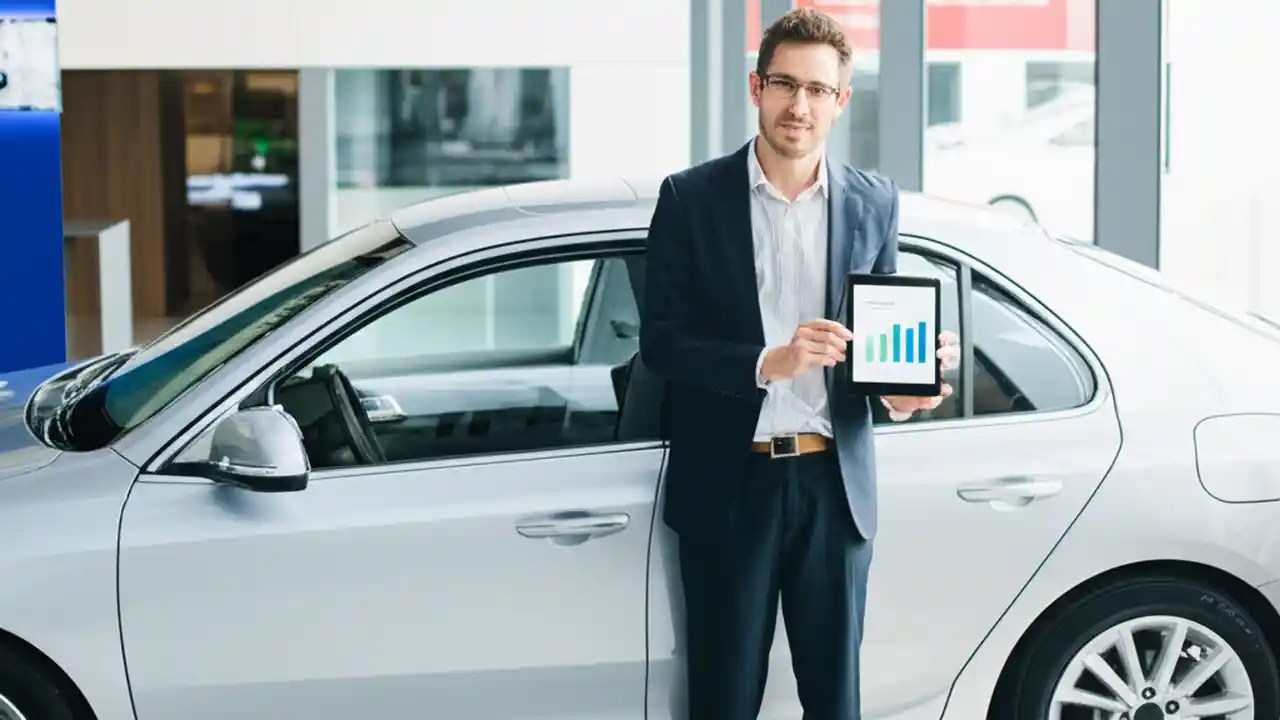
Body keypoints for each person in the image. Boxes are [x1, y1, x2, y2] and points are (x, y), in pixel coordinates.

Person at [639, 7, 960, 719]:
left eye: (818, 90)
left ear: (841, 101)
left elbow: (874, 345)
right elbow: (661, 343)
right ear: (757, 87)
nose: (800, 105)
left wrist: (904, 390)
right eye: (785, 84)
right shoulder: (689, 199)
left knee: (835, 703)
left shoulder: (874, 201)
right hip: (729, 486)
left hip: (832, 489)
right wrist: (768, 361)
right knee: (723, 700)